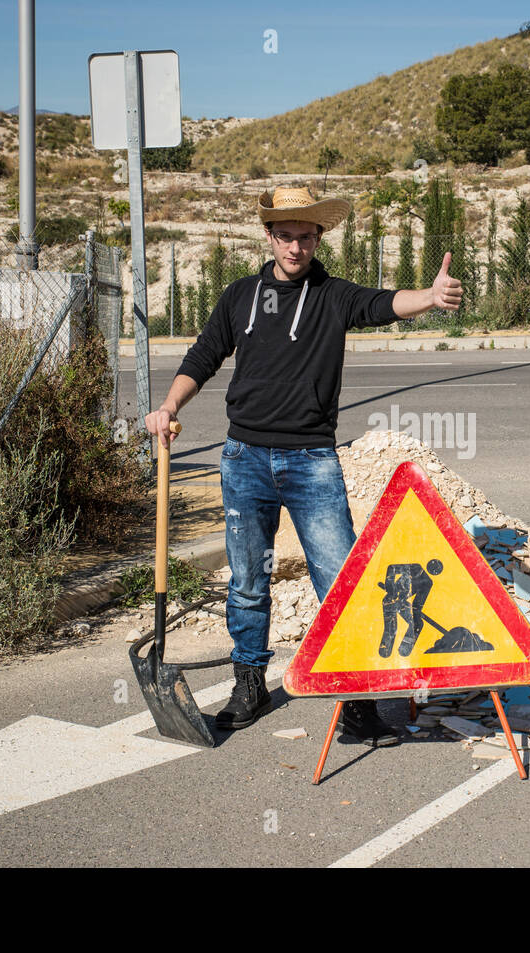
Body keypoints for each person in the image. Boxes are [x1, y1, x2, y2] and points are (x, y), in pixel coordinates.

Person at [144, 186, 463, 746]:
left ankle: (356, 695)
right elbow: (204, 354)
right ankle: (250, 682)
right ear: (270, 237)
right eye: (286, 235)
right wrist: (170, 405)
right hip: (244, 458)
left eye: (306, 235)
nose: (296, 245)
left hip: (311, 460)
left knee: (340, 581)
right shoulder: (241, 295)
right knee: (247, 580)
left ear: (319, 238)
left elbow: (383, 303)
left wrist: (431, 298)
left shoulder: (332, 296)